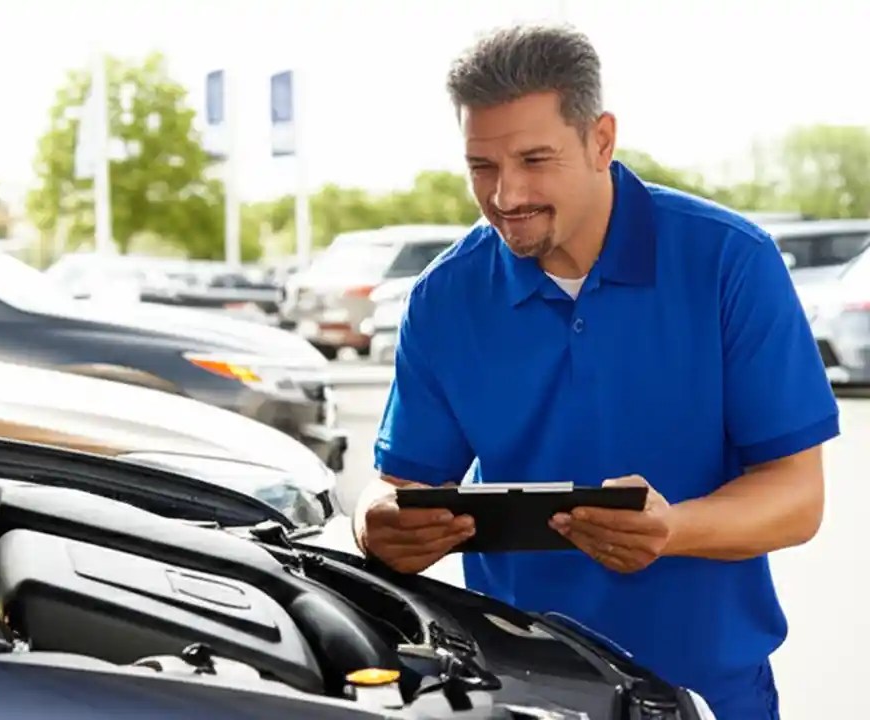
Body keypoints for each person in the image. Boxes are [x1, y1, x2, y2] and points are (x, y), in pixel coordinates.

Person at [354, 22, 837, 720]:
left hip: (705, 694)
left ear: (601, 139)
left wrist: (672, 530)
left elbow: (797, 497)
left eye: (534, 159)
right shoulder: (443, 296)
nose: (506, 194)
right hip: (514, 692)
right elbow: (399, 485)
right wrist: (376, 524)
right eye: (482, 167)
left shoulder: (729, 261)